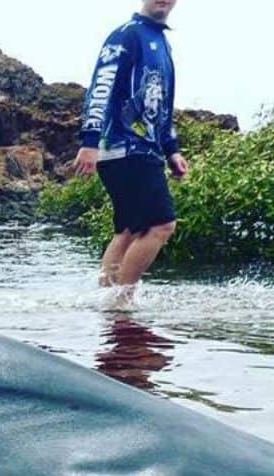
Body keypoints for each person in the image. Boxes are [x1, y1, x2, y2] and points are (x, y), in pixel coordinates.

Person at [72, 0, 189, 294]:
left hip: (144, 148)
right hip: (125, 146)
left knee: (127, 231)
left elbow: (162, 103)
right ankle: (122, 303)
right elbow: (101, 86)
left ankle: (107, 301)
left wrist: (171, 149)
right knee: (162, 225)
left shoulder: (161, 42)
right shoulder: (126, 34)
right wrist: (90, 141)